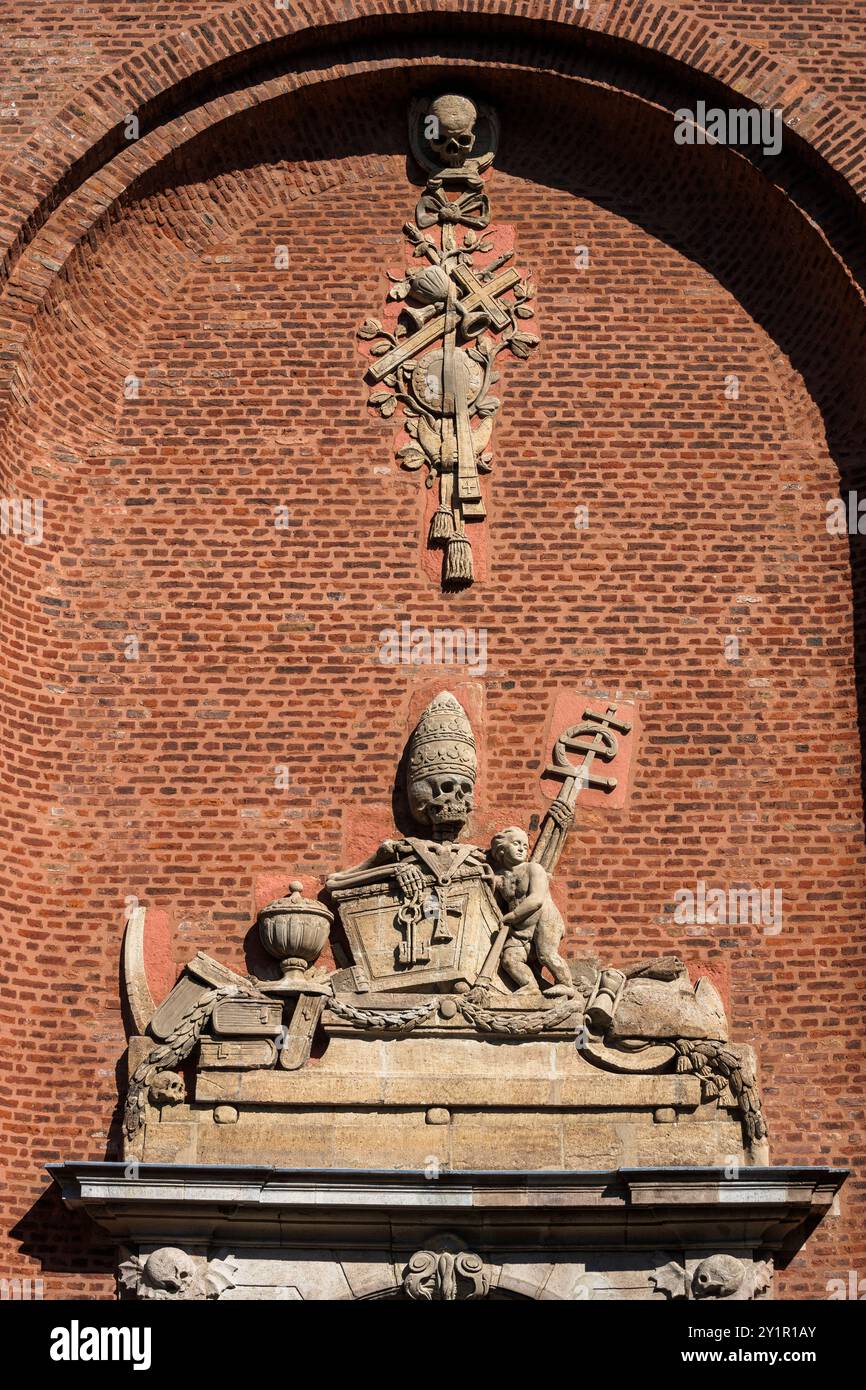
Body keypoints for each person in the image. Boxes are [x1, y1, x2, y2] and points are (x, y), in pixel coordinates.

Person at [489, 826, 574, 998]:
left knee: (546, 954)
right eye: (516, 844)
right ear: (501, 850)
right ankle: (530, 986)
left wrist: (512, 916)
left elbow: (536, 900)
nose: (521, 848)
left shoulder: (534, 869)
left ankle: (566, 984)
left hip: (544, 919)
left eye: (525, 845)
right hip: (521, 927)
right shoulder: (501, 876)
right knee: (510, 959)